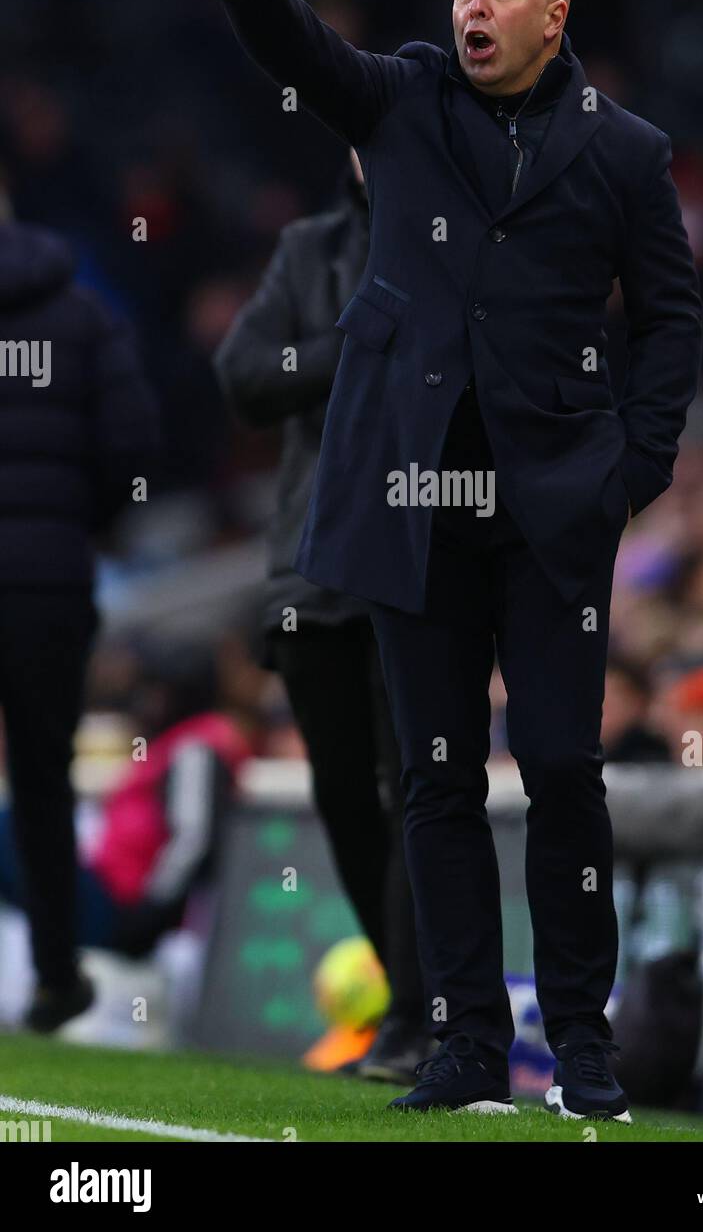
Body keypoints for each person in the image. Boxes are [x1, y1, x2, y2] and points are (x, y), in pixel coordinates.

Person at [193, 0, 702, 1119]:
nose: (470, 8)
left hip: (550, 510)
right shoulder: (404, 98)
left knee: (566, 772)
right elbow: (304, 55)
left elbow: (672, 318)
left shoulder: (624, 151)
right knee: (435, 779)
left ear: (552, 15)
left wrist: (636, 465)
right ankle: (465, 1041)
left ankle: (580, 1044)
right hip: (411, 502)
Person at [213, 150, 430, 1082]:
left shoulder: (460, 242)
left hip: (422, 559)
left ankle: (420, 1018)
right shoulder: (310, 249)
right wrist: (349, 350)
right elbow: (242, 372)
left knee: (416, 788)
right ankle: (408, 1003)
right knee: (345, 793)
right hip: (312, 567)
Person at [0, 214, 159, 1031]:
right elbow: (133, 450)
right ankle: (56, 977)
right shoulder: (83, 315)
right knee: (42, 780)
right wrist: (70, 526)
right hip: (47, 583)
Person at [0, 639, 262, 1026]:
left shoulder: (197, 745)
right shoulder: (183, 740)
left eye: (159, 691)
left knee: (12, 824)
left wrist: (149, 915)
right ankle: (54, 976)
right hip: (114, 898)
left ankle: (56, 978)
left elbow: (194, 839)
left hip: (120, 907)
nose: (149, 701)